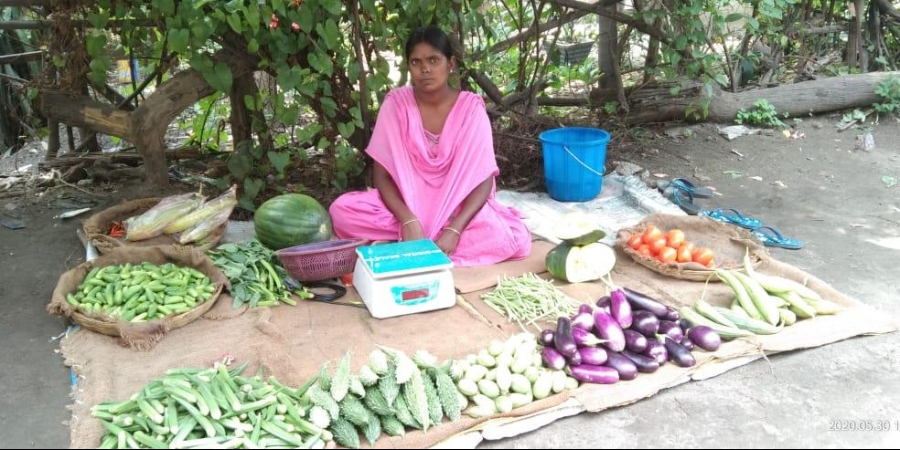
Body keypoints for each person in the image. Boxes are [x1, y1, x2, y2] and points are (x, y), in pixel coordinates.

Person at [329, 25, 532, 267]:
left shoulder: (471, 109)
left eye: (434, 60)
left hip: (454, 212)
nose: (425, 69)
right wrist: (407, 220)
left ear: (450, 64)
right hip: (404, 207)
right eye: (416, 62)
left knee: (511, 237)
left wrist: (455, 229)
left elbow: (484, 179)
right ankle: (418, 238)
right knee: (342, 211)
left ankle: (404, 243)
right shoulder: (396, 105)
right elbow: (381, 176)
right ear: (408, 66)